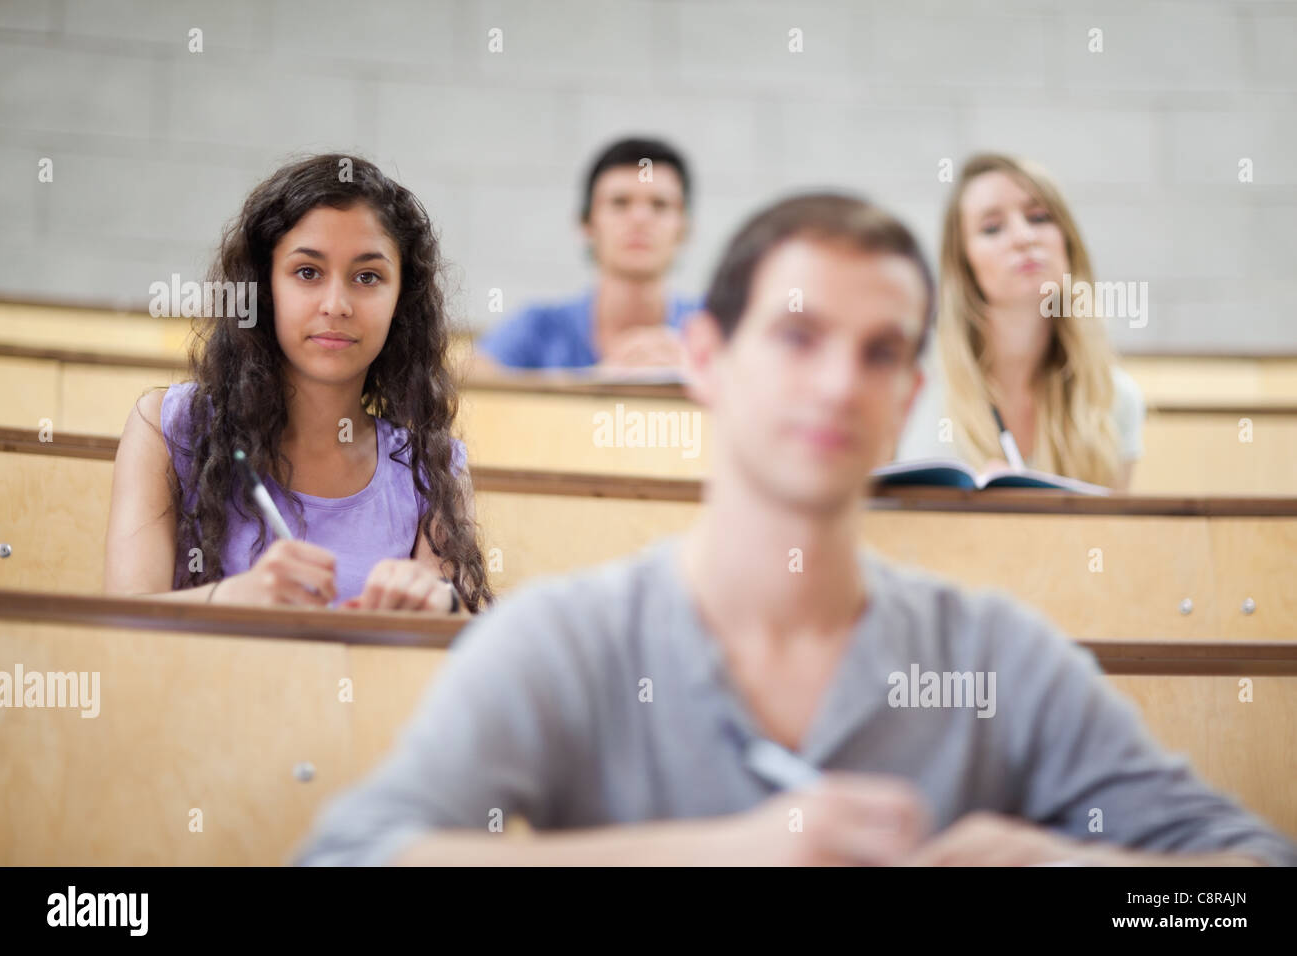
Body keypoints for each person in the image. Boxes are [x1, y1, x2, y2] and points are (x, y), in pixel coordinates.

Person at [294, 193, 1294, 866]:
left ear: (907, 394)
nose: (835, 382)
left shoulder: (998, 655)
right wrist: (720, 849)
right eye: (798, 335)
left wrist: (1071, 870)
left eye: (877, 352)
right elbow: (346, 857)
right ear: (705, 357)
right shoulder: (570, 638)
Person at [104, 154, 491, 613]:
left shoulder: (430, 466)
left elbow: (459, 651)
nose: (336, 304)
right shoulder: (169, 427)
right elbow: (124, 623)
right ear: (264, 291)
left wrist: (440, 610)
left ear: (399, 304)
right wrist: (236, 597)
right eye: (307, 272)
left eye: (368, 277)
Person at [895, 154, 1145, 491]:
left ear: (1067, 243)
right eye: (992, 228)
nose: (1023, 237)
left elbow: (1114, 540)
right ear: (964, 264)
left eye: (1039, 217)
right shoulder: (914, 388)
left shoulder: (1114, 399)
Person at [474, 137, 699, 371]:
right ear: (586, 224)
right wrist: (597, 382)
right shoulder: (538, 327)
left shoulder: (723, 328)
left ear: (684, 229)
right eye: (620, 203)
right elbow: (465, 386)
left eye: (659, 205)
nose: (640, 219)